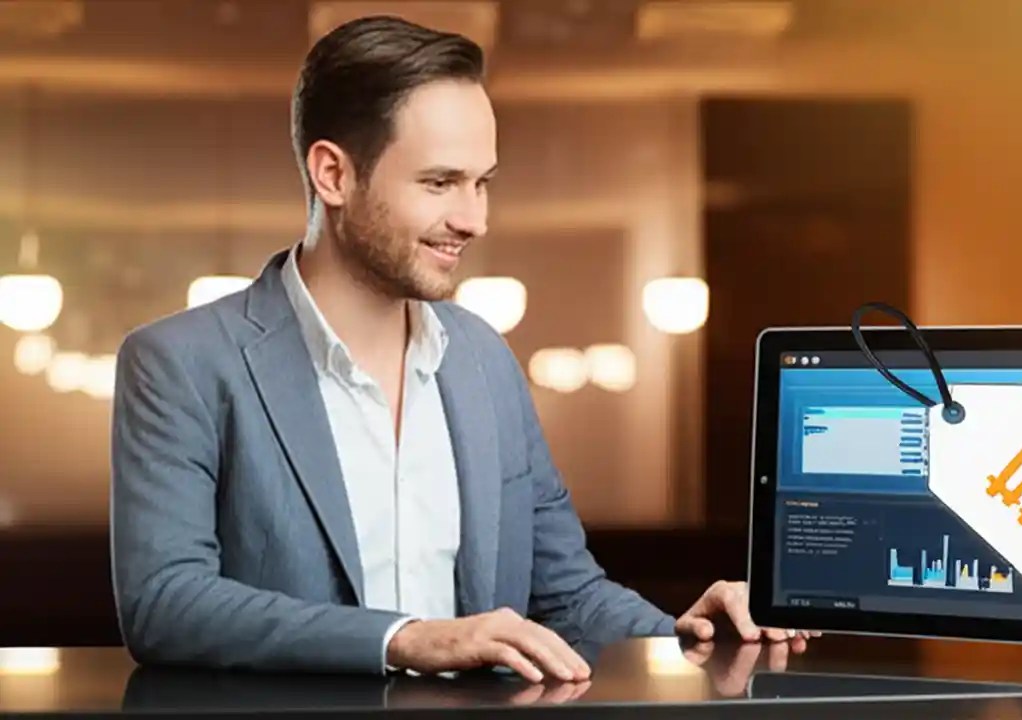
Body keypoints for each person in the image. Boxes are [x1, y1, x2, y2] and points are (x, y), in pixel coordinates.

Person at [109, 14, 810, 683]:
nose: (473, 219)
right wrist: (407, 638)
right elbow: (166, 603)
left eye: (482, 184)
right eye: (440, 182)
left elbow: (568, 597)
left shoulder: (483, 358)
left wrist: (689, 636)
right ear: (333, 175)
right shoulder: (180, 363)